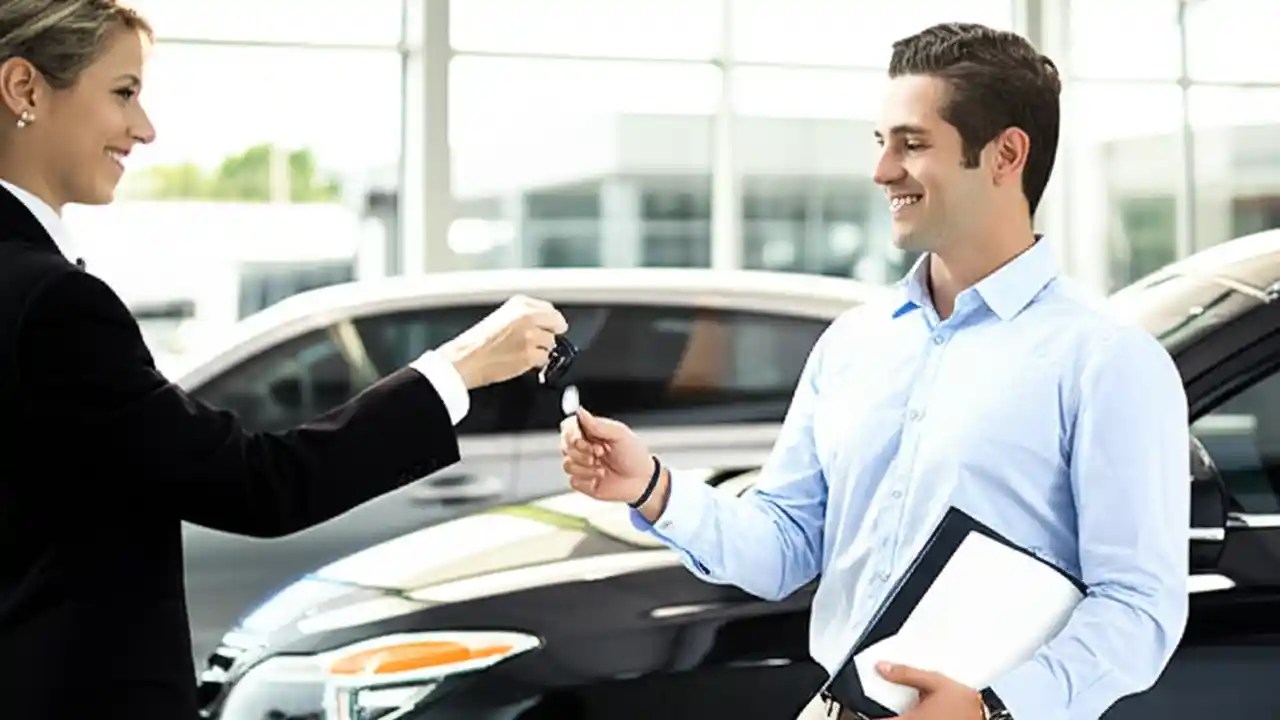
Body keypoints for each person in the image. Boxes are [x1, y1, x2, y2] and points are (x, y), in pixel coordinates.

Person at [562, 21, 1189, 720]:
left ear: (1007, 154)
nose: (882, 170)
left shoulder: (1107, 359)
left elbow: (1139, 609)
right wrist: (652, 487)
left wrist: (992, 709)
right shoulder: (854, 343)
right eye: (881, 143)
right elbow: (787, 547)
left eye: (912, 144)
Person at [0, 2, 568, 717]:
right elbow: (259, 485)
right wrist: (460, 366)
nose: (144, 128)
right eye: (124, 92)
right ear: (25, 89)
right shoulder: (51, 303)